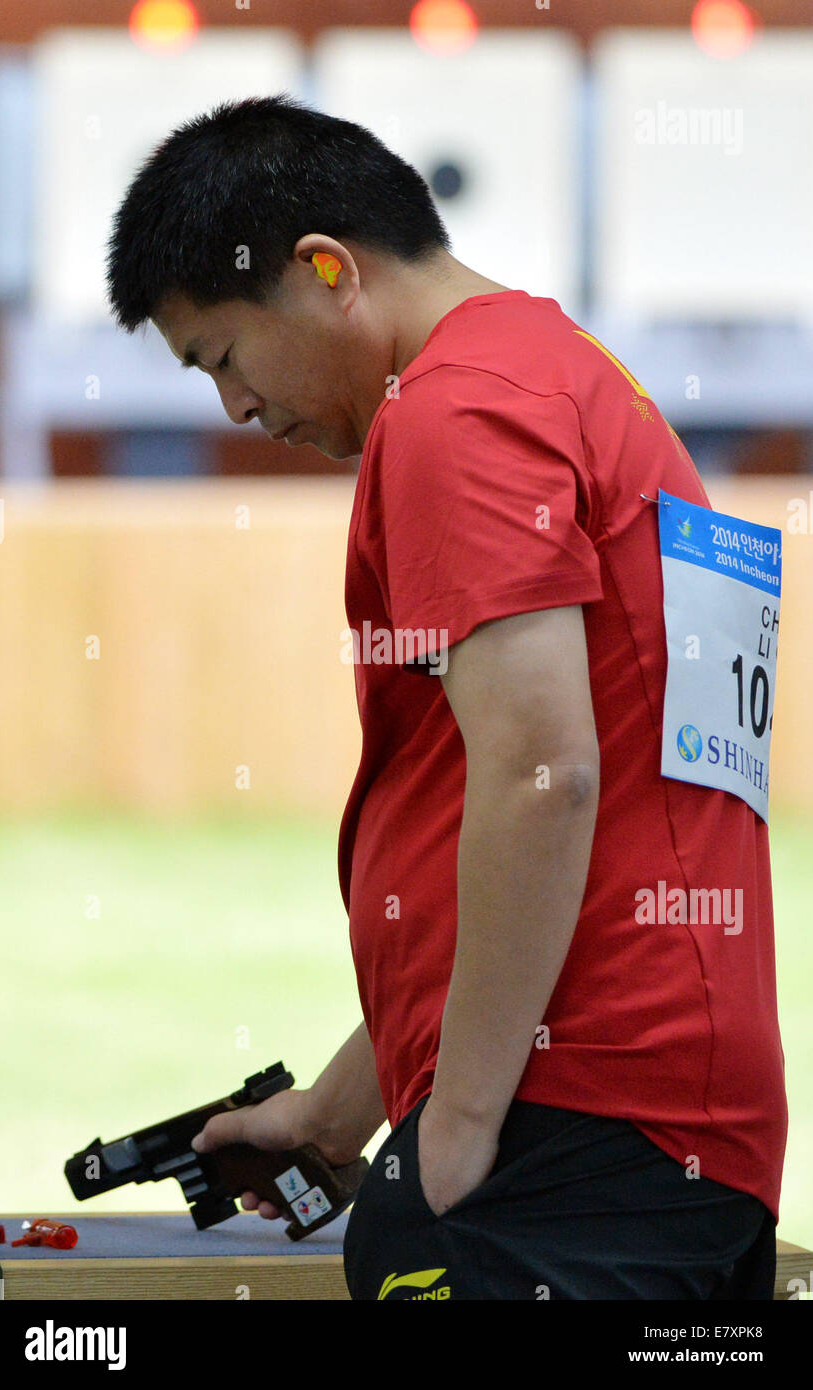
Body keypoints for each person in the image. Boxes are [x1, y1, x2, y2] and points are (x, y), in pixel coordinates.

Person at [106, 94, 788, 1300]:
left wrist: (457, 1130)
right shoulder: (561, 375)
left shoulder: (455, 413)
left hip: (564, 1138)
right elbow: (571, 807)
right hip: (652, 1128)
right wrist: (346, 1104)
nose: (238, 409)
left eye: (223, 357)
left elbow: (545, 775)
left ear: (325, 271)